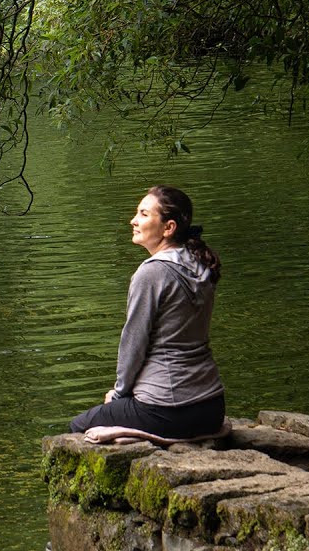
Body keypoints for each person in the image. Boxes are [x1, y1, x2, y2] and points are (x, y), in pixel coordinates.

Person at [69, 185, 226, 439]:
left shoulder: (151, 273)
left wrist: (119, 395)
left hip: (169, 409)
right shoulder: (199, 263)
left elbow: (134, 343)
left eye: (143, 214)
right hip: (212, 408)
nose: (133, 220)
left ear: (168, 227)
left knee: (78, 426)